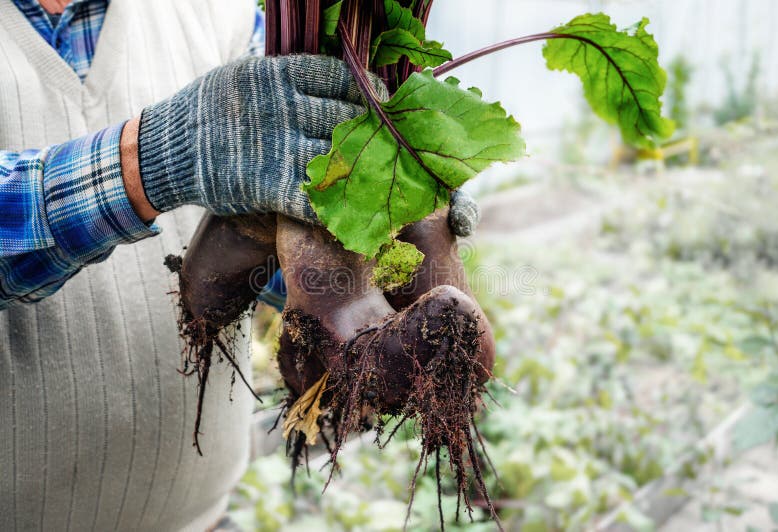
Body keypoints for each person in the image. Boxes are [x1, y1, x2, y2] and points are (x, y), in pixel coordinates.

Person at [0, 1, 478, 530]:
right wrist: (149, 161)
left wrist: (392, 204)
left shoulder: (216, 9)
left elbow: (277, 166)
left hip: (203, 517)